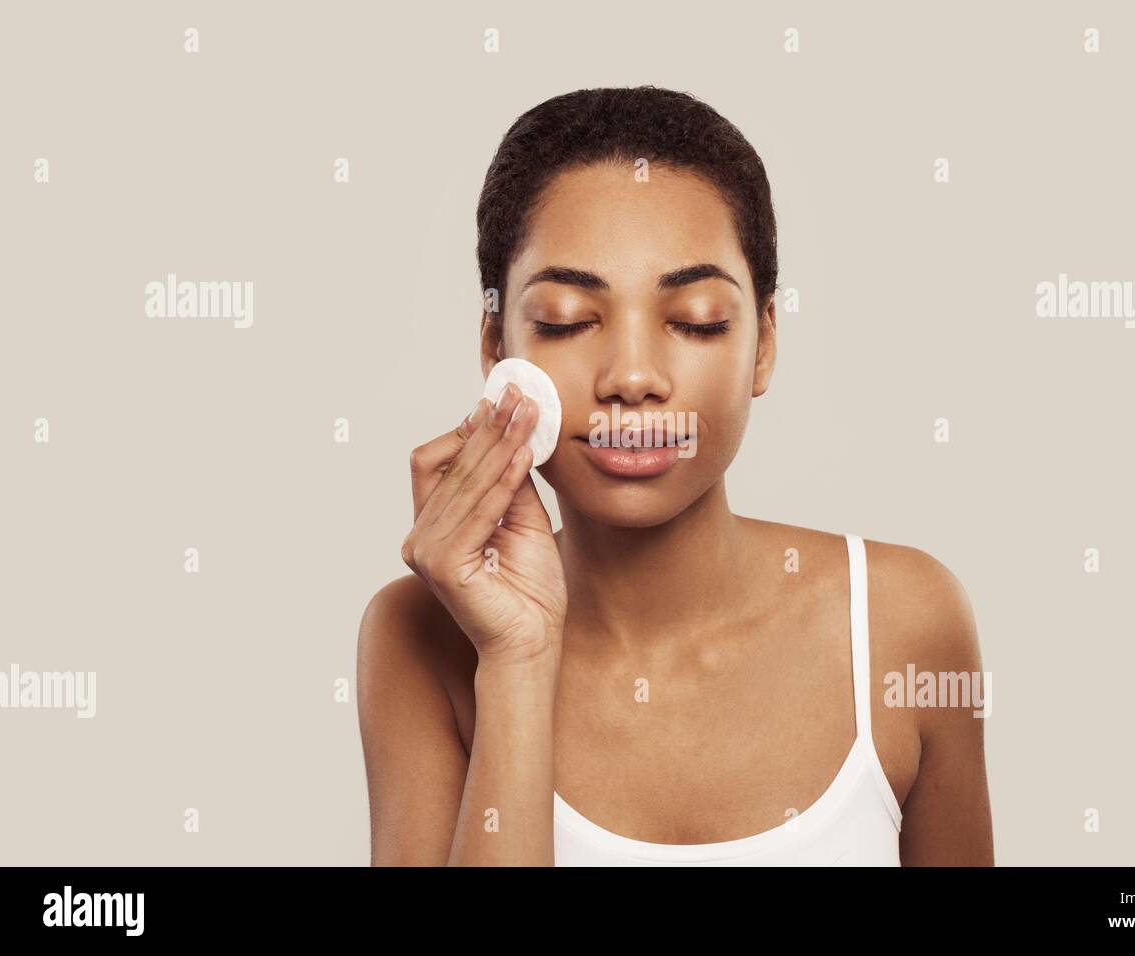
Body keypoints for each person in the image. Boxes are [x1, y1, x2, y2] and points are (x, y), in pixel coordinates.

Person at [357, 86, 993, 866]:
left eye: (696, 320)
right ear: (497, 347)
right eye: (565, 319)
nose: (632, 376)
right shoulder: (418, 635)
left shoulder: (906, 619)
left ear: (762, 343)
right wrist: (517, 659)